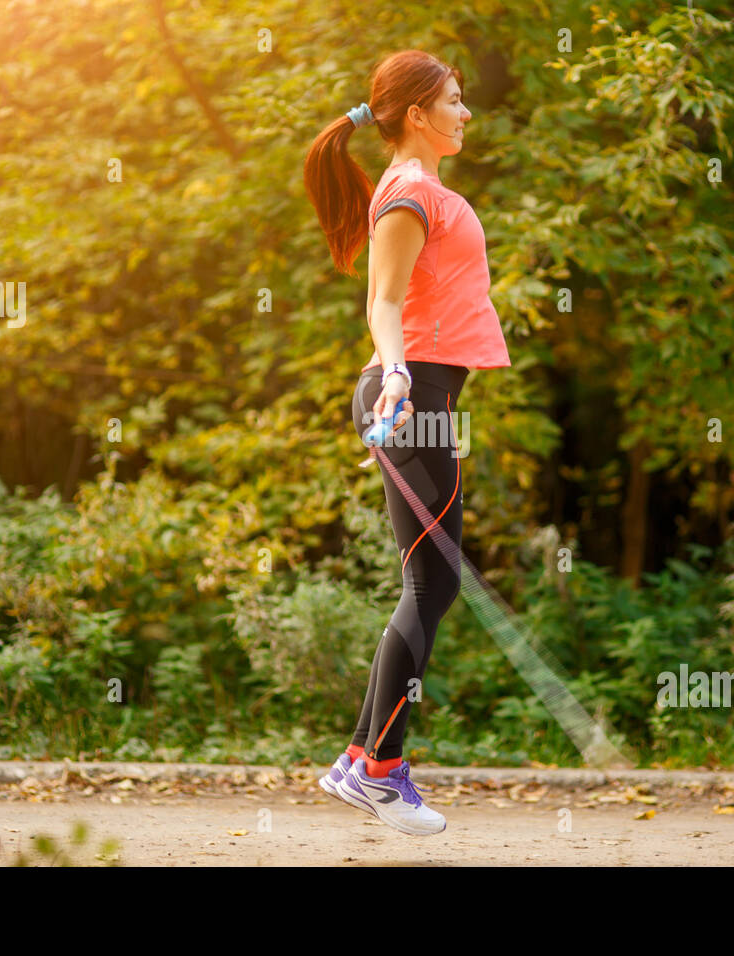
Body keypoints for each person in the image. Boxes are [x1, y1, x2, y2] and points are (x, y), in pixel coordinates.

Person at [302, 50, 511, 835]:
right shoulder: (409, 193)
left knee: (430, 580)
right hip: (409, 395)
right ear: (417, 114)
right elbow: (382, 302)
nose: (466, 112)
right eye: (455, 100)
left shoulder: (425, 190)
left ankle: (362, 761)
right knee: (435, 582)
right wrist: (393, 378)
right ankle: (381, 770)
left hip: (424, 395)